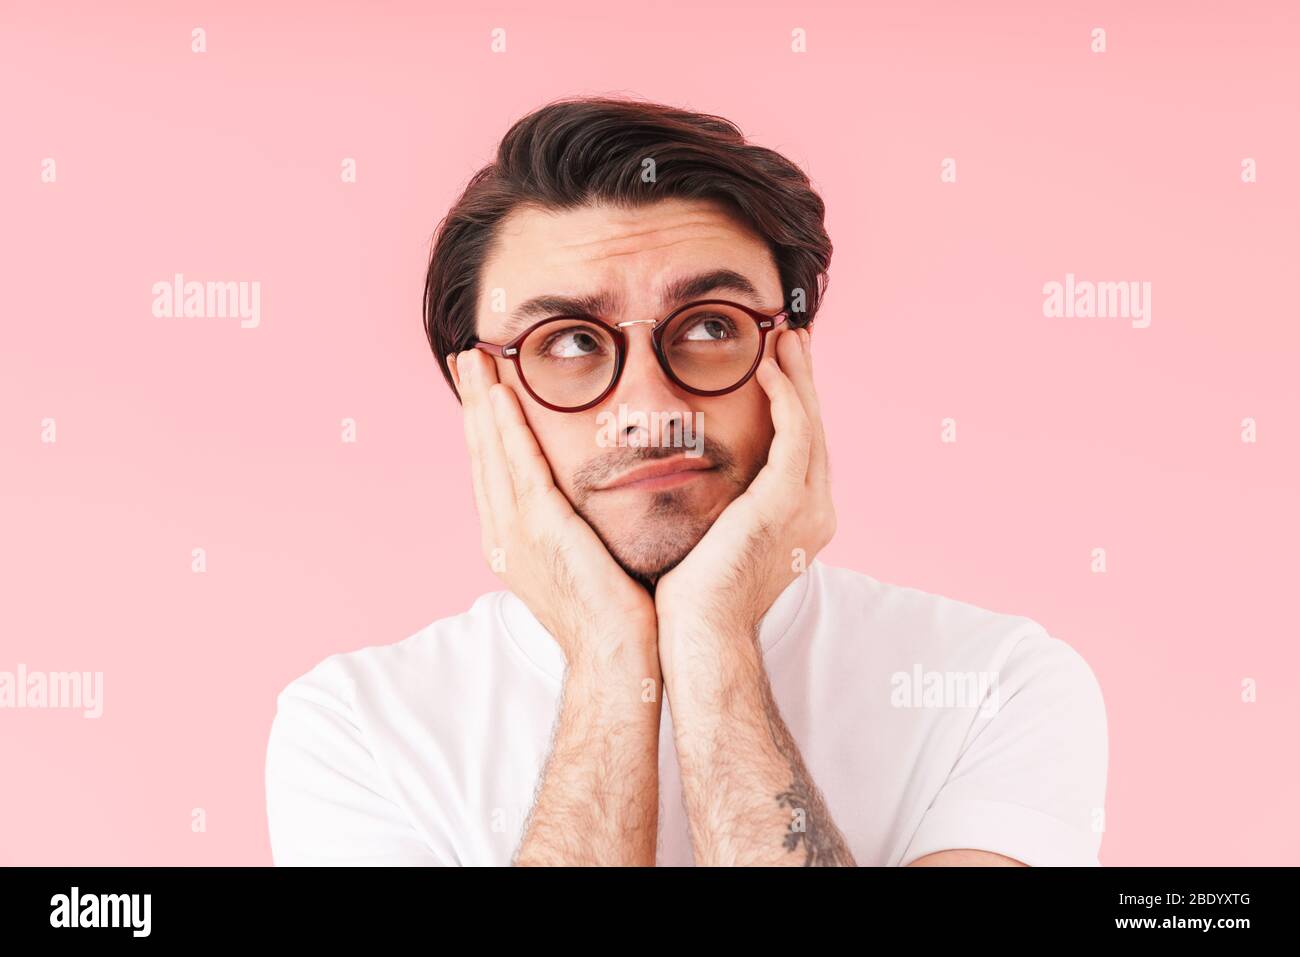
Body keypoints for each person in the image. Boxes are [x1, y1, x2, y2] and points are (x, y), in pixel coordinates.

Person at [265, 96, 1107, 866]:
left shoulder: (997, 685)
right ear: (481, 395)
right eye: (566, 340)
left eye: (709, 324)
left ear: (791, 354)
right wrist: (608, 656)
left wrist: (710, 643)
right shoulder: (354, 731)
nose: (648, 407)